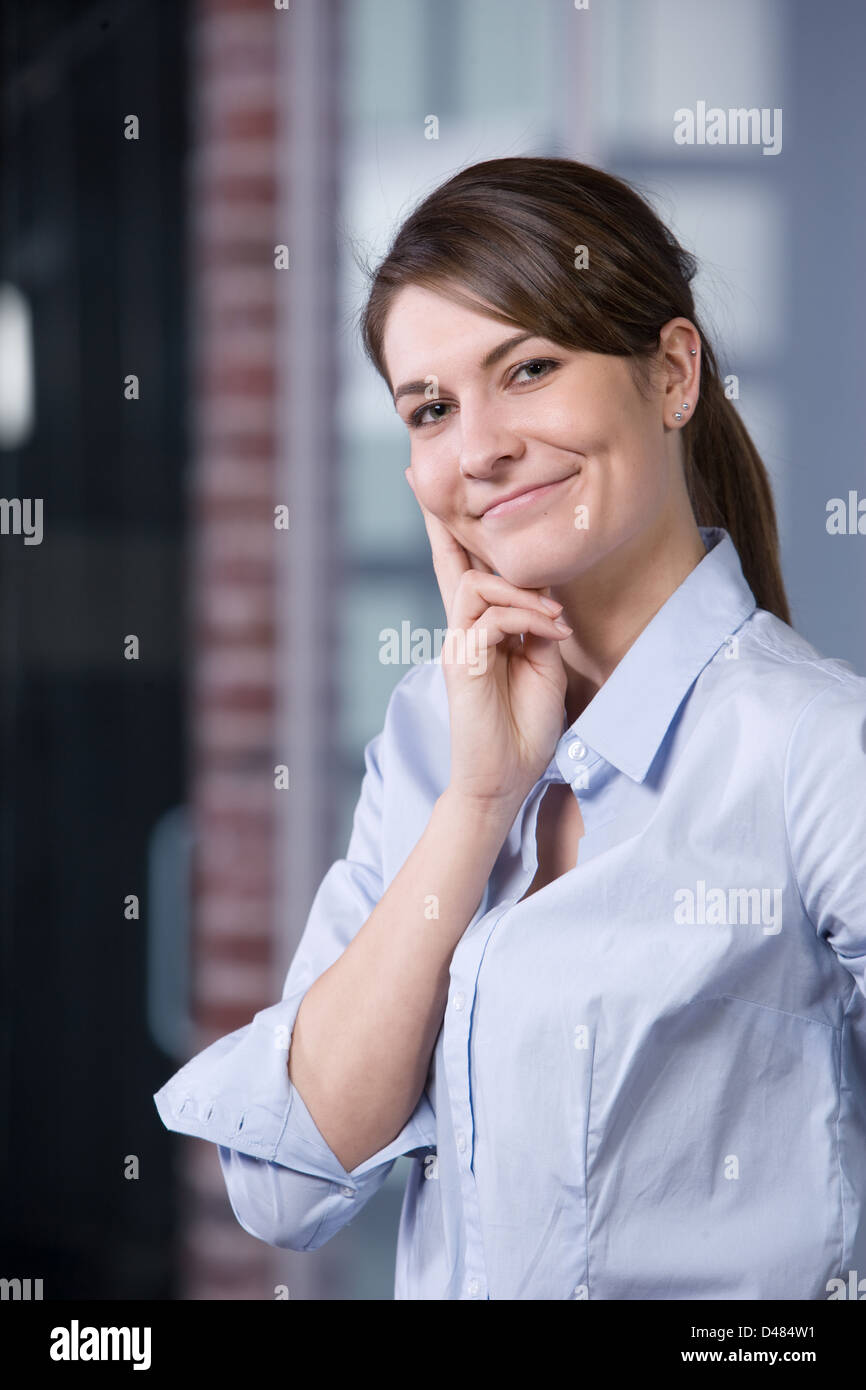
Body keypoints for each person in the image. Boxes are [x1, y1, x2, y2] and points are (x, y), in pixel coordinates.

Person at [154, 156, 866, 1300]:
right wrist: (479, 804)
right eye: (430, 407)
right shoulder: (433, 742)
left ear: (671, 372)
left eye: (527, 368)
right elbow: (286, 1183)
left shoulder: (812, 750)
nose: (476, 446)